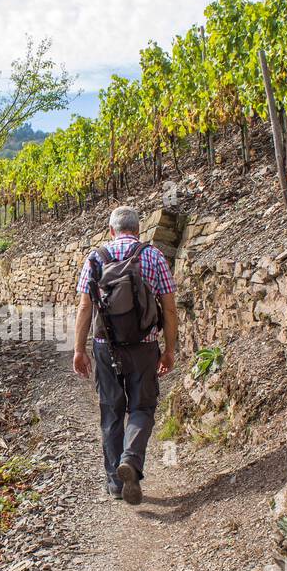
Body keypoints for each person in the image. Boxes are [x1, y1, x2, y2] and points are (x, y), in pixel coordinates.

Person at [72, 205, 178, 505]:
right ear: (138, 229)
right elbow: (169, 308)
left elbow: (84, 308)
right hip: (145, 347)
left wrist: (80, 349)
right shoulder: (153, 256)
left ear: (111, 231)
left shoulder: (96, 258)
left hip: (107, 347)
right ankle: (130, 460)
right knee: (142, 408)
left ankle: (115, 484)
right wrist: (169, 350)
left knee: (111, 411)